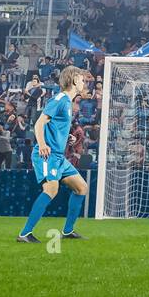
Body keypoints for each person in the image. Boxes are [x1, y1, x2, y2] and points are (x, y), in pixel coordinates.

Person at [17, 66, 90, 242]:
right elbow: (39, 123)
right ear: (73, 80)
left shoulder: (67, 102)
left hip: (58, 156)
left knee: (81, 188)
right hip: (47, 155)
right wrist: (42, 145)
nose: (83, 82)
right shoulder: (59, 99)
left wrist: (69, 137)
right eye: (81, 79)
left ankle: (67, 231)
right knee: (51, 189)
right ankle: (24, 234)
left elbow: (56, 127)